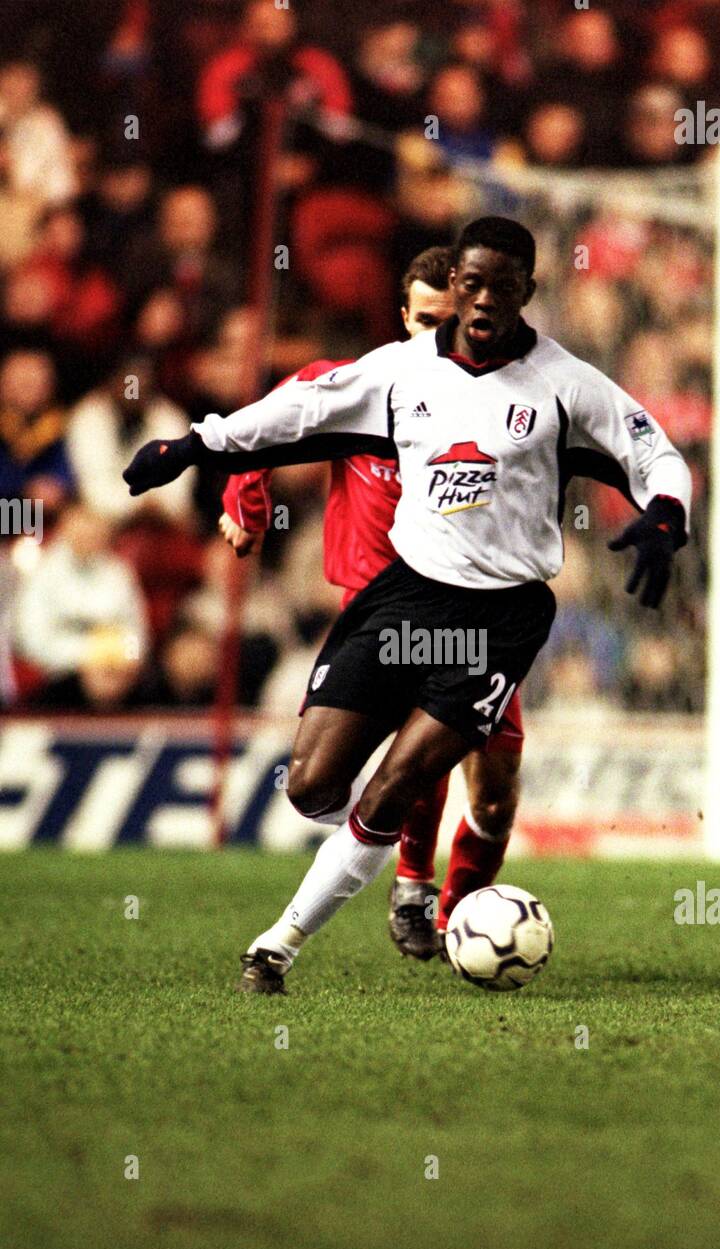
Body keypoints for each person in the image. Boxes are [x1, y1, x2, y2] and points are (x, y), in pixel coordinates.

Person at [124, 216, 691, 995]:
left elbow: (654, 450)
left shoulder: (567, 384)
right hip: (405, 597)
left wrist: (665, 513)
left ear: (530, 290)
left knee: (400, 784)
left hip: (499, 620)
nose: (486, 299)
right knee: (311, 786)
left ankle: (280, 944)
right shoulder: (400, 370)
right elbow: (297, 410)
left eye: (504, 285)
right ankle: (383, 859)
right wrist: (195, 444)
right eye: (472, 282)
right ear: (454, 285)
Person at [218, 246, 528, 962]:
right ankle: (417, 895)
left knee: (493, 797)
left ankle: (445, 908)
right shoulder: (363, 387)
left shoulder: (504, 404)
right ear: (402, 317)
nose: (438, 339)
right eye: (425, 321)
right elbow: (258, 430)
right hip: (378, 612)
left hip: (474, 610)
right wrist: (249, 502)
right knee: (390, 765)